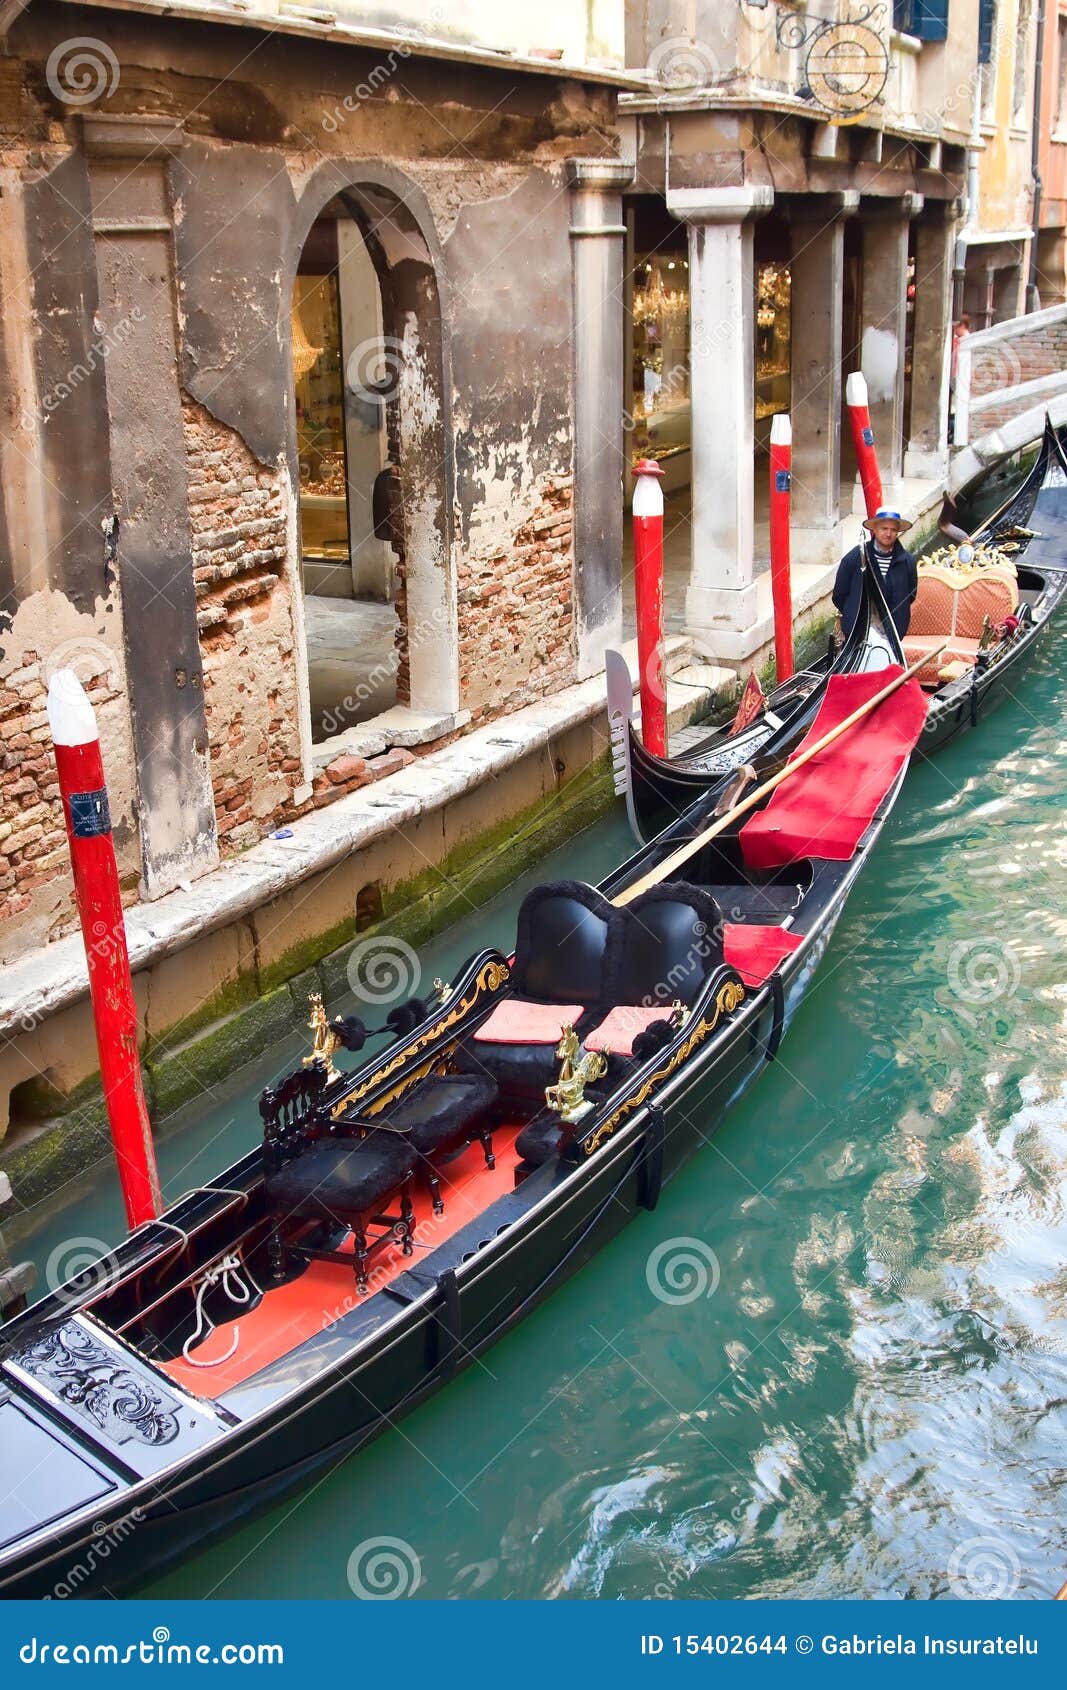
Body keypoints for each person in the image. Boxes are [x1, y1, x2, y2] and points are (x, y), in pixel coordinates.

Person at [833, 508, 918, 638]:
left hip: (893, 631)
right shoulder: (854, 558)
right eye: (884, 529)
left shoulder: (908, 562)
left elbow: (910, 596)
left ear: (897, 532)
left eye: (893, 530)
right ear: (875, 529)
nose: (888, 534)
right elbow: (839, 595)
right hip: (857, 631)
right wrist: (852, 611)